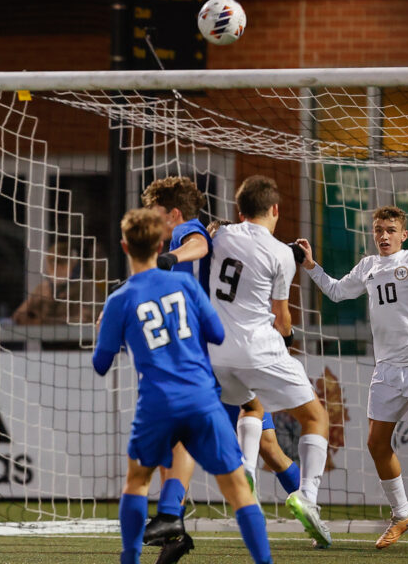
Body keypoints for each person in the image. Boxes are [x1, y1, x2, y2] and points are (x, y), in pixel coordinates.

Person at [93, 208, 272, 564]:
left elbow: (101, 364)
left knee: (137, 483)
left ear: (124, 246)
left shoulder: (120, 300)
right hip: (202, 399)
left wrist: (116, 331)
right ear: (161, 243)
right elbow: (217, 333)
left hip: (157, 403)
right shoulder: (186, 284)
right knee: (238, 490)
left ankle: (130, 560)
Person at [140, 183, 301, 564]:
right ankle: (306, 502)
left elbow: (198, 242)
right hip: (231, 355)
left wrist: (172, 258)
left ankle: (173, 524)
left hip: (214, 357)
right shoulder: (215, 234)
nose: (152, 222)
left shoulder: (186, 232)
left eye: (156, 213)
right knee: (268, 448)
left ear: (173, 213)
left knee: (178, 438)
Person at [297, 207, 408, 554]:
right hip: (386, 367)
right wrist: (310, 266)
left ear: (403, 234)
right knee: (376, 444)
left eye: (390, 230)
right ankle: (402, 514)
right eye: (378, 230)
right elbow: (335, 292)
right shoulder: (367, 266)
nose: (383, 236)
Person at [208, 175, 332, 548]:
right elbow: (282, 318)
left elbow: (217, 231)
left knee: (250, 404)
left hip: (215, 352)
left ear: (239, 209)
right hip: (258, 348)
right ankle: (307, 496)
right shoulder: (280, 253)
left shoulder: (219, 236)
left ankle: (246, 469)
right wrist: (289, 341)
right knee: (316, 416)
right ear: (275, 209)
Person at [12, 240, 89, 325]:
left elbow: (86, 319)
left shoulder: (85, 287)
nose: (56, 267)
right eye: (51, 262)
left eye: (60, 261)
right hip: (41, 337)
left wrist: (46, 322)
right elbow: (18, 316)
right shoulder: (42, 289)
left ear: (72, 263)